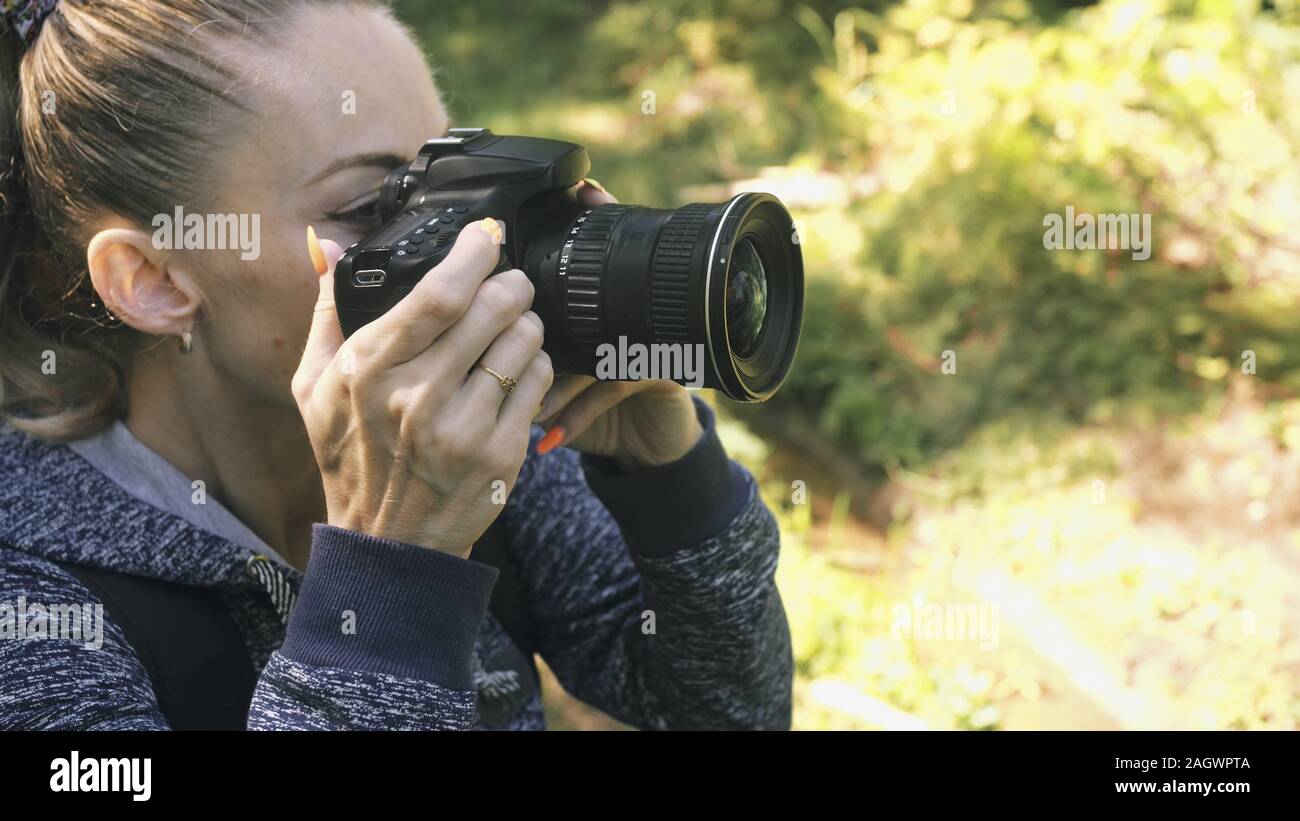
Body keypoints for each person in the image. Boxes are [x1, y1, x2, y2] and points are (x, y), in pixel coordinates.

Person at [0, 0, 791, 730]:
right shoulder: (32, 604)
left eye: (448, 176)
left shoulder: (477, 444)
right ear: (155, 280)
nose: (471, 248)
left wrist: (670, 478)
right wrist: (390, 569)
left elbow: (724, 710)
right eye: (377, 210)